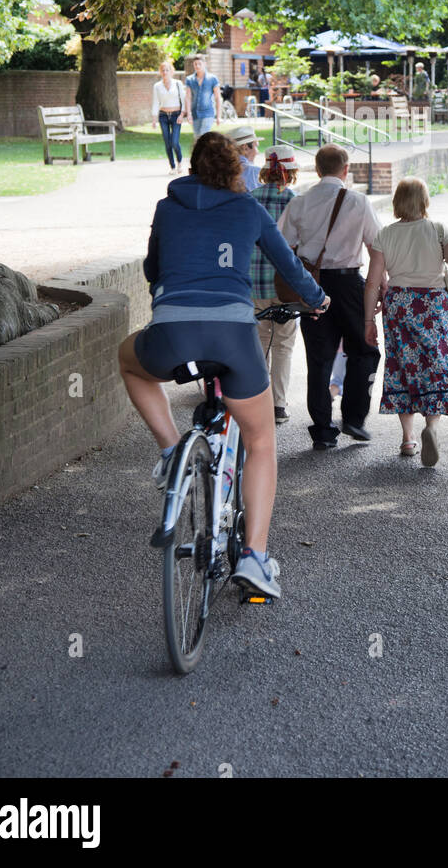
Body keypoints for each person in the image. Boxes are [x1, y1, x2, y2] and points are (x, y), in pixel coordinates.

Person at [117, 132, 328, 598]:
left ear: (191, 167)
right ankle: (254, 558)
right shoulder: (249, 208)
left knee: (129, 360)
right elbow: (289, 269)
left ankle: (173, 449)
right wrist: (318, 299)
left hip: (170, 335)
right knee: (260, 439)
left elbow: (153, 270)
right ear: (237, 170)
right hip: (233, 337)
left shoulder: (166, 207)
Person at [278, 143, 382, 450]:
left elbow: (284, 245)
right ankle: (353, 417)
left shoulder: (299, 203)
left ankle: (322, 428)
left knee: (319, 358)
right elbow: (377, 246)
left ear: (318, 169)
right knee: (364, 351)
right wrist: (382, 284)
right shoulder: (358, 201)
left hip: (313, 287)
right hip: (350, 285)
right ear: (345, 169)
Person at [364, 177, 448, 466]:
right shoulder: (439, 230)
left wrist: (368, 320)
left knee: (401, 366)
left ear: (397, 202)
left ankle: (408, 439)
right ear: (424, 201)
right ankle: (430, 427)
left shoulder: (385, 235)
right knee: (435, 366)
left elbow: (373, 283)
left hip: (400, 305)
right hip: (434, 305)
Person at [251, 144, 301, 424]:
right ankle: (278, 406)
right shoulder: (296, 202)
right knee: (283, 345)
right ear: (291, 172)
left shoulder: (250, 199)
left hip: (254, 283)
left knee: (259, 342)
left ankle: (258, 401)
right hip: (285, 285)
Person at [152, 60, 185, 175]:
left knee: (175, 142)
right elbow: (156, 102)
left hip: (176, 115)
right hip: (163, 116)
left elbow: (184, 100)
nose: (165, 72)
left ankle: (180, 161)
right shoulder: (157, 86)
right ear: (160, 72)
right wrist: (154, 119)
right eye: (163, 70)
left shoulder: (178, 84)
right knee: (167, 143)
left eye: (167, 70)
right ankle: (172, 166)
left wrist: (182, 114)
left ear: (171, 71)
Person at [182, 55, 221, 138]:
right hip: (195, 114)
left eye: (199, 64)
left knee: (203, 135)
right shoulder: (190, 79)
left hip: (208, 113)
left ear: (205, 64)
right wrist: (188, 114)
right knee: (197, 138)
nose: (197, 66)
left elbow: (218, 98)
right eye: (195, 64)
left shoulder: (212, 79)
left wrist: (218, 116)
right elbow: (188, 98)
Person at [232, 125, 261, 190]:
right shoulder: (255, 171)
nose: (258, 152)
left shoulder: (220, 168)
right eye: (256, 146)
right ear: (245, 148)